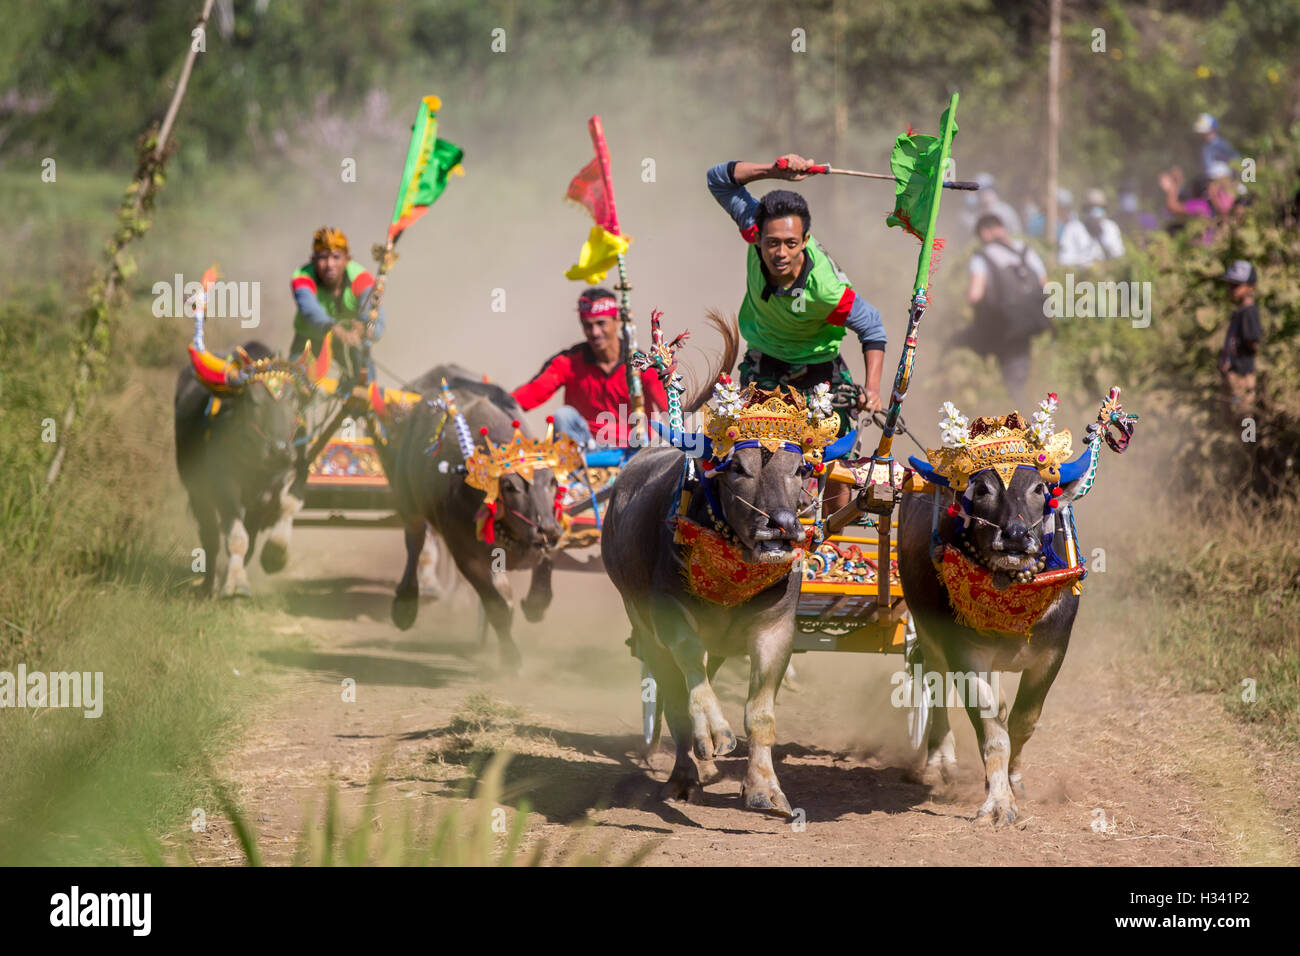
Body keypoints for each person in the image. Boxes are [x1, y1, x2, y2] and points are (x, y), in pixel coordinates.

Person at [705, 154, 886, 435]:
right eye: (772, 243)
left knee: (833, 461)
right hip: (764, 360)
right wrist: (773, 171)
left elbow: (872, 326)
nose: (780, 253)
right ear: (758, 238)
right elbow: (718, 179)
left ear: (804, 241)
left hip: (820, 369)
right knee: (746, 449)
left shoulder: (826, 289)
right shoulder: (754, 227)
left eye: (791, 244)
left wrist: (872, 390)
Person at [512, 287, 668, 448]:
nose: (595, 332)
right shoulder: (568, 363)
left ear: (617, 321)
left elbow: (670, 410)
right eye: (588, 325)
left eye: (601, 323)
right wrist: (493, 401)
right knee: (563, 416)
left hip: (634, 454)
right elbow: (527, 395)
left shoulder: (644, 365)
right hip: (586, 453)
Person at [960, 213, 1049, 404]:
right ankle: (1019, 409)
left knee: (988, 371)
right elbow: (1045, 286)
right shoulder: (1026, 251)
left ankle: (997, 410)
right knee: (1017, 378)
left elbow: (974, 295)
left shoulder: (983, 255)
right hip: (1026, 326)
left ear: (983, 232)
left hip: (997, 327)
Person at [289, 226, 384, 382]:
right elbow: (310, 309)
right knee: (291, 385)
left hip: (349, 343)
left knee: (365, 385)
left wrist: (365, 330)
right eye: (323, 257)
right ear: (313, 260)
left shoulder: (362, 279)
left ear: (347, 259)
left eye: (336, 257)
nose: (329, 264)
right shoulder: (302, 277)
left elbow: (376, 318)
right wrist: (333, 328)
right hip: (308, 343)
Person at [1217, 259, 1262, 421]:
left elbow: (1253, 342)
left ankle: (1248, 445)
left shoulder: (1249, 312)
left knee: (1243, 418)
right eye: (1230, 284)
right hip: (1233, 375)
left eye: (1236, 285)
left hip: (1242, 375)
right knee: (1230, 419)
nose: (1231, 289)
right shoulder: (1239, 312)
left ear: (1250, 287)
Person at [1080, 188, 1126, 262]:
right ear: (1085, 209)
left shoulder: (1111, 227)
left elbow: (1119, 256)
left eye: (1099, 207)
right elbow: (1067, 266)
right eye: (1092, 207)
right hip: (1080, 272)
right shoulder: (1075, 229)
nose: (1096, 211)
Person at [1194, 113, 1240, 178]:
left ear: (1212, 130)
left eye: (1207, 133)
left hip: (1224, 177)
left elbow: (1236, 159)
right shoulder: (1205, 147)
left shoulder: (1222, 144)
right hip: (1209, 178)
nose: (1204, 135)